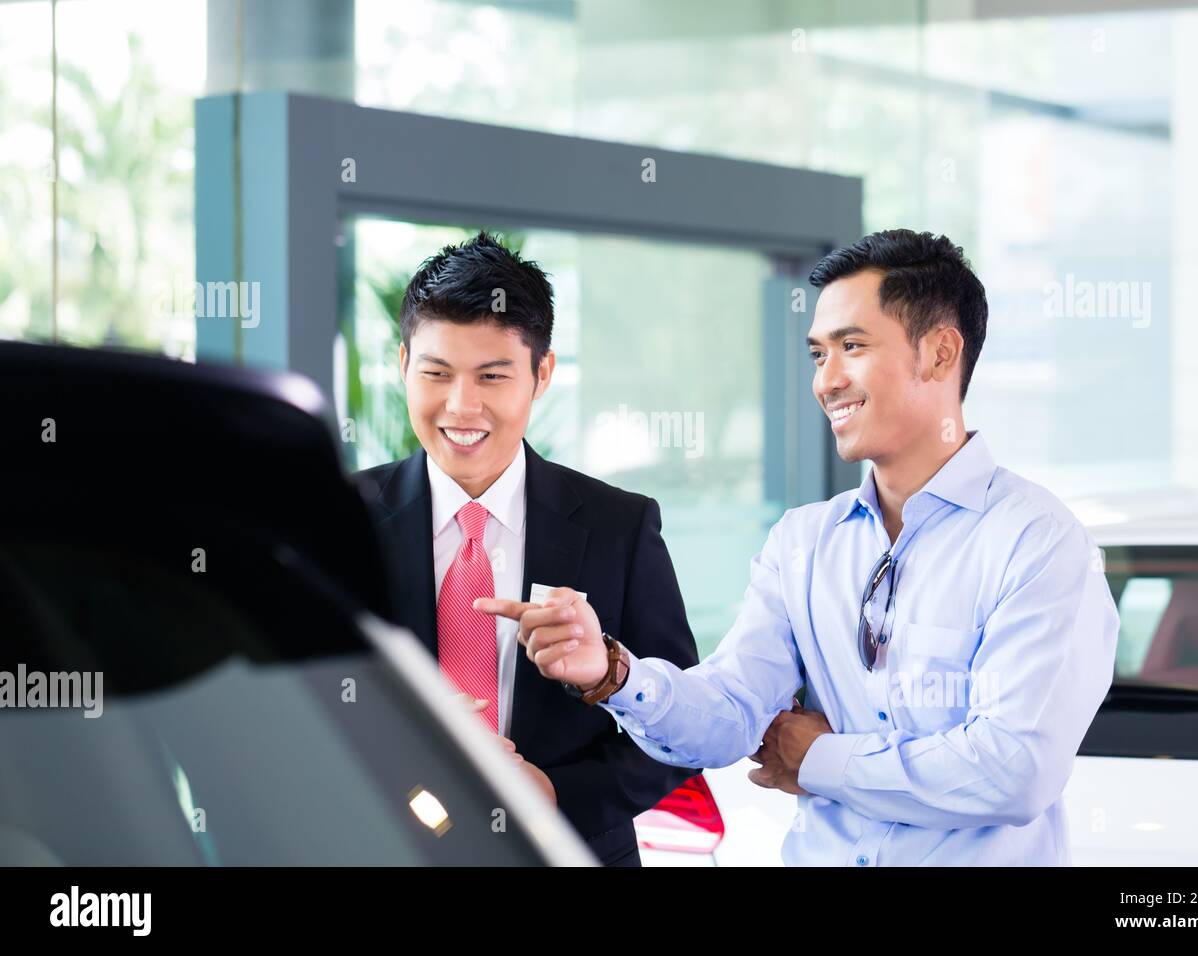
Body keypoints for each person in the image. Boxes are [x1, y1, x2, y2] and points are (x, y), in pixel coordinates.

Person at [478, 229, 1119, 866]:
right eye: (818, 354)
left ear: (940, 353)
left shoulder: (1036, 542)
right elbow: (730, 713)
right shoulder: (804, 542)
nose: (826, 380)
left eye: (852, 346)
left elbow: (1014, 770)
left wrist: (817, 758)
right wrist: (613, 672)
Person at [356, 232, 699, 867]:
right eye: (436, 373)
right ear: (404, 363)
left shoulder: (619, 528)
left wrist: (550, 791)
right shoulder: (337, 521)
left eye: (492, 376)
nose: (462, 406)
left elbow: (681, 728)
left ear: (542, 374)